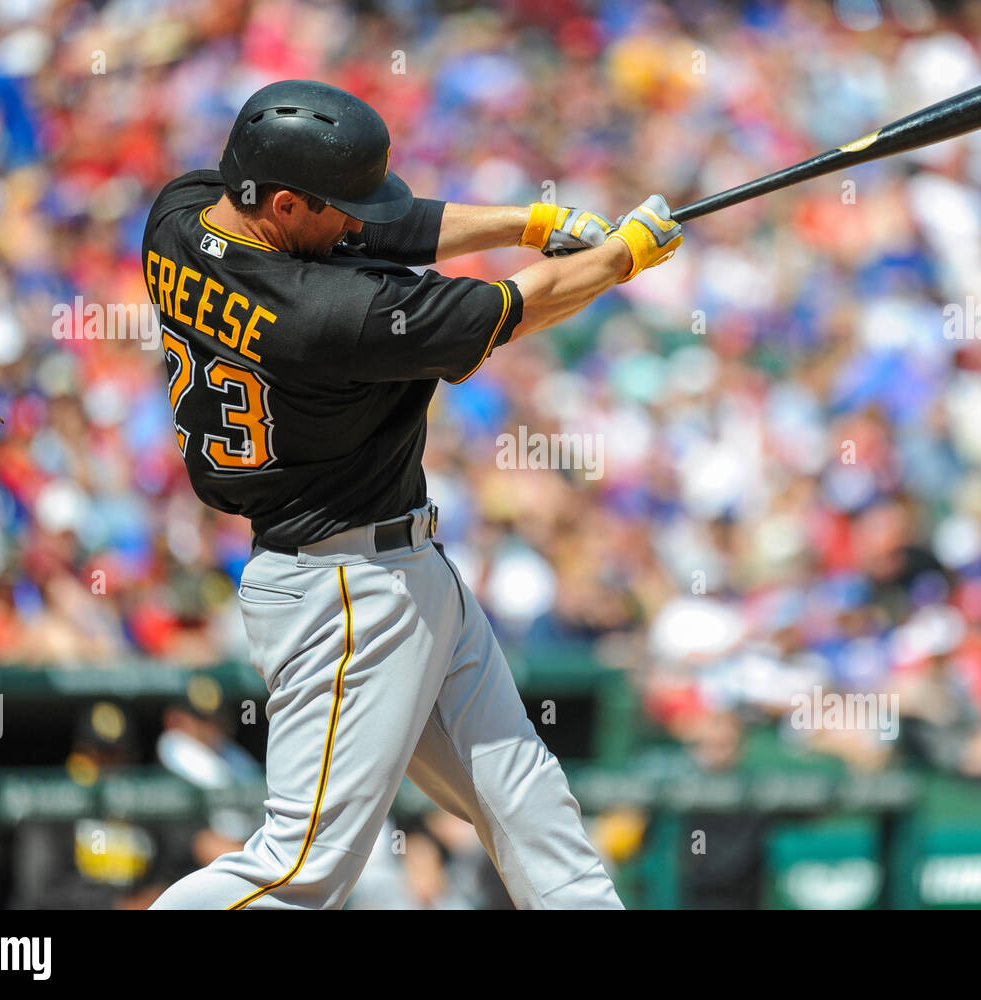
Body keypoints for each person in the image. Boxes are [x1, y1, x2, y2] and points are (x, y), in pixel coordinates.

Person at [140, 79, 682, 909]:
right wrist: (618, 259)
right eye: (332, 207)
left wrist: (527, 223)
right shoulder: (327, 315)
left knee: (525, 800)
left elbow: (388, 225)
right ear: (282, 204)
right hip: (344, 591)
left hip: (399, 568)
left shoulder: (179, 216)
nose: (356, 222)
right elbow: (509, 308)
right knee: (300, 866)